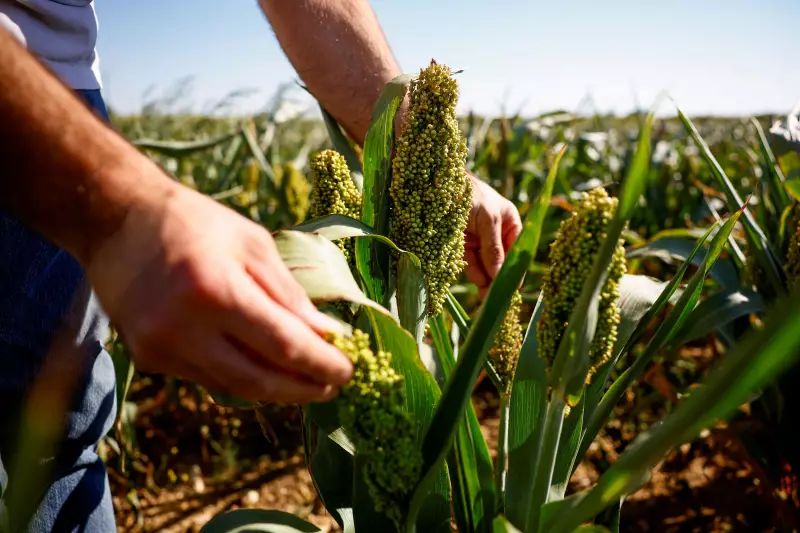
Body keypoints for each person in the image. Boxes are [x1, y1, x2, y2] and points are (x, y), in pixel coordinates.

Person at [0, 0, 522, 530]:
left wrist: (424, 155)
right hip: (25, 104)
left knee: (51, 440)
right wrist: (120, 208)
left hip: (53, 93)